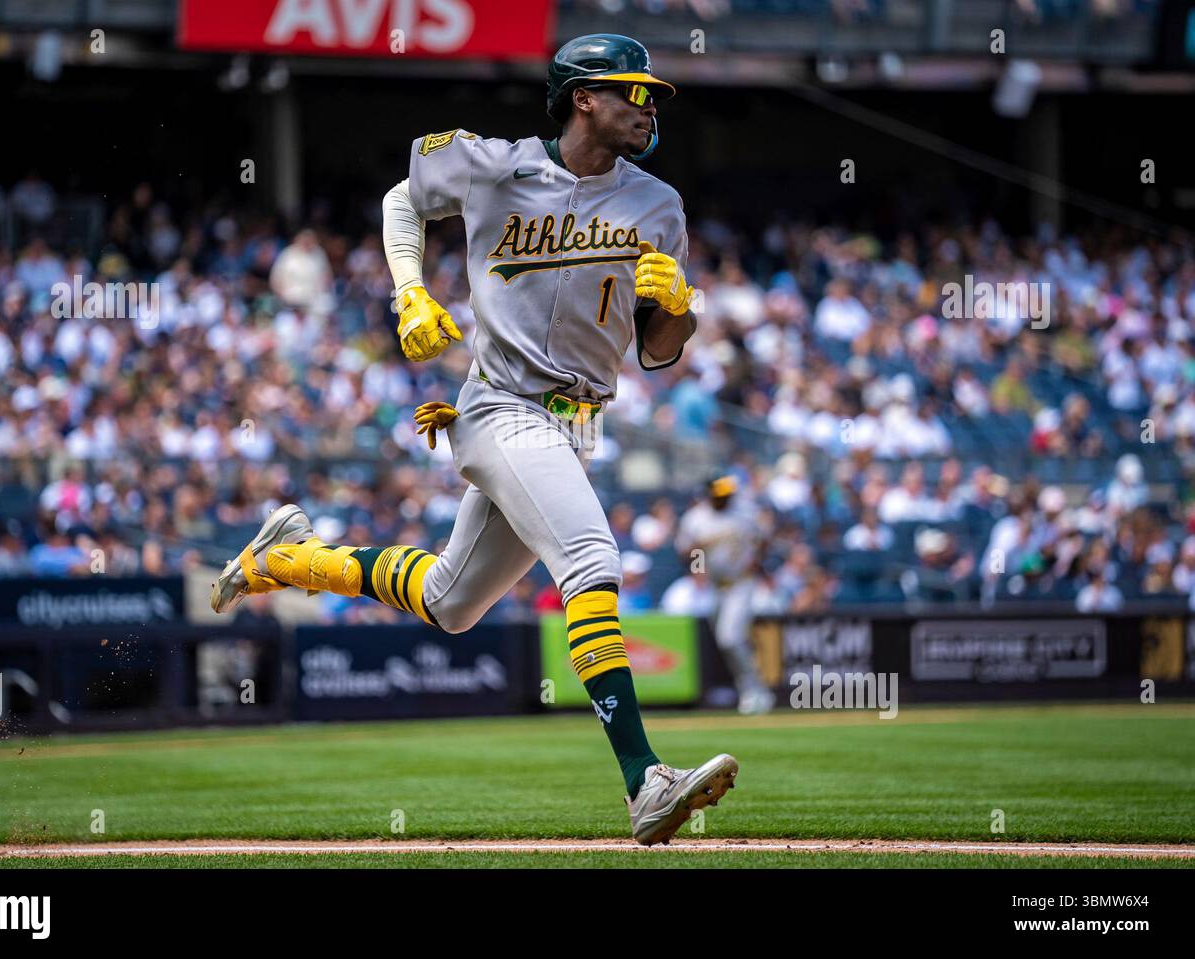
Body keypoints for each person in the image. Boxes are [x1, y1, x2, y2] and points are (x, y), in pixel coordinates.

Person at [209, 35, 736, 846]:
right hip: (500, 410)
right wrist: (409, 291)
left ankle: (289, 558)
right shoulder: (498, 165)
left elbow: (659, 352)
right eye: (634, 92)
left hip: (578, 426)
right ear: (583, 98)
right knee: (592, 560)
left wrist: (681, 308)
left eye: (654, 94)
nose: (650, 106)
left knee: (454, 603)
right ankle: (645, 779)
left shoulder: (657, 205)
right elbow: (399, 200)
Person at [675, 476, 775, 714]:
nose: (724, 498)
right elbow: (687, 552)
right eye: (720, 494)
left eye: (727, 494)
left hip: (742, 583)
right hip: (714, 586)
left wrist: (755, 563)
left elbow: (763, 541)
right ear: (709, 495)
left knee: (730, 638)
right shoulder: (696, 519)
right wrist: (698, 569)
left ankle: (755, 691)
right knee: (726, 640)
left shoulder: (745, 513)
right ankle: (749, 688)